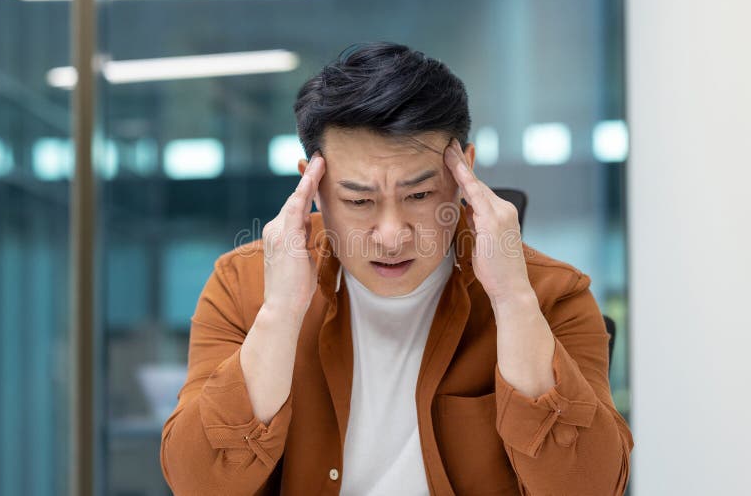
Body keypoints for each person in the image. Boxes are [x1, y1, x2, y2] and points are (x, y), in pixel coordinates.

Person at [160, 42, 633, 496]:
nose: (391, 235)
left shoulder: (552, 294)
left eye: (419, 196)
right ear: (312, 183)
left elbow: (588, 487)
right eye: (359, 200)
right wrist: (281, 312)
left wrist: (513, 301)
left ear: (464, 171)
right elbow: (199, 484)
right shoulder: (243, 285)